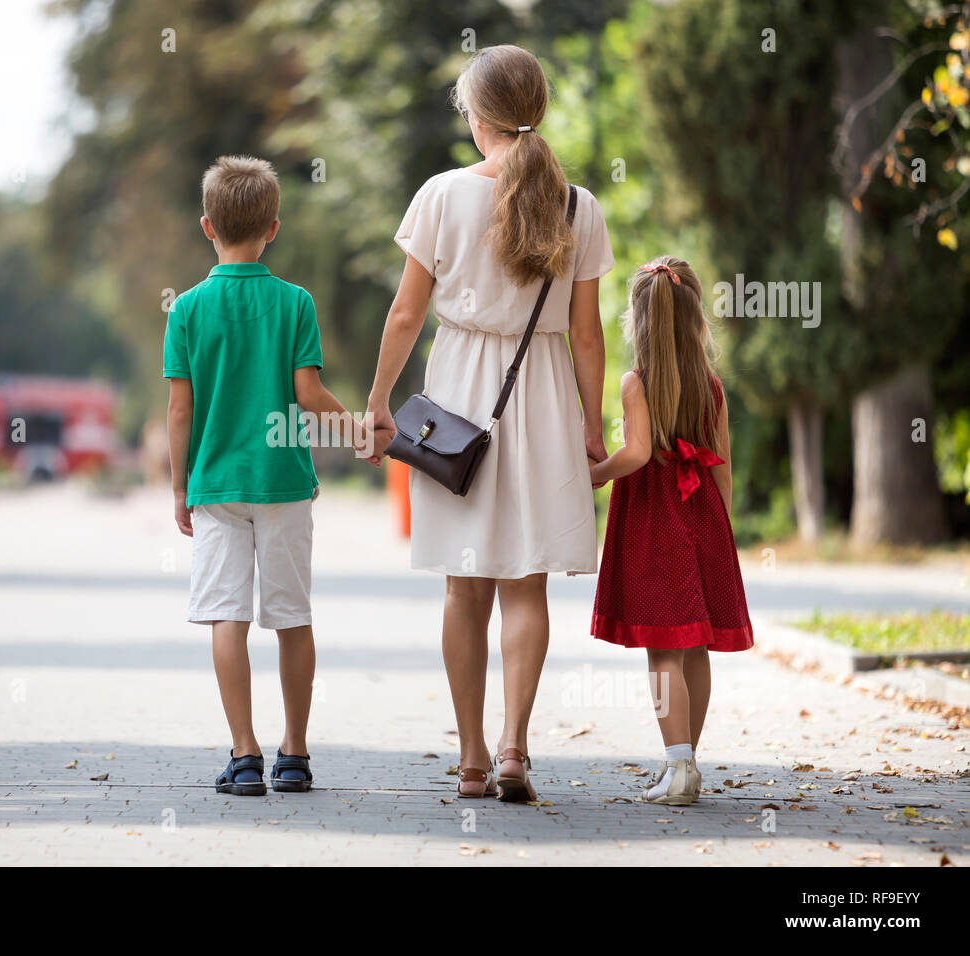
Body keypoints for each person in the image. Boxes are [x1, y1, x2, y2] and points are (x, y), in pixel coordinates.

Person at [363, 46, 614, 801]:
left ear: (478, 118)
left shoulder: (441, 194)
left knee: (464, 589)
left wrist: (378, 401)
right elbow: (589, 335)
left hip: (460, 400)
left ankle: (470, 757)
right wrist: (593, 427)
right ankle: (514, 749)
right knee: (526, 583)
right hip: (539, 393)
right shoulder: (579, 205)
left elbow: (407, 312)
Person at [164, 155, 373, 796]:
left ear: (207, 226)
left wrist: (179, 486)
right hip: (283, 480)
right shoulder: (295, 303)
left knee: (227, 617)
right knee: (292, 618)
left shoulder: (188, 311)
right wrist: (359, 430)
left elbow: (180, 409)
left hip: (217, 484)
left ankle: (245, 754)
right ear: (273, 228)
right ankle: (296, 755)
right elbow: (308, 394)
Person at [589, 256, 755, 806]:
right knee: (695, 647)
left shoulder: (635, 381)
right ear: (695, 321)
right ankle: (685, 762)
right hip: (703, 517)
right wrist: (722, 534)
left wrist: (590, 476)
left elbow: (637, 454)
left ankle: (678, 764)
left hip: (655, 522)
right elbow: (724, 465)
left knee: (662, 649)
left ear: (638, 321)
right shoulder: (712, 386)